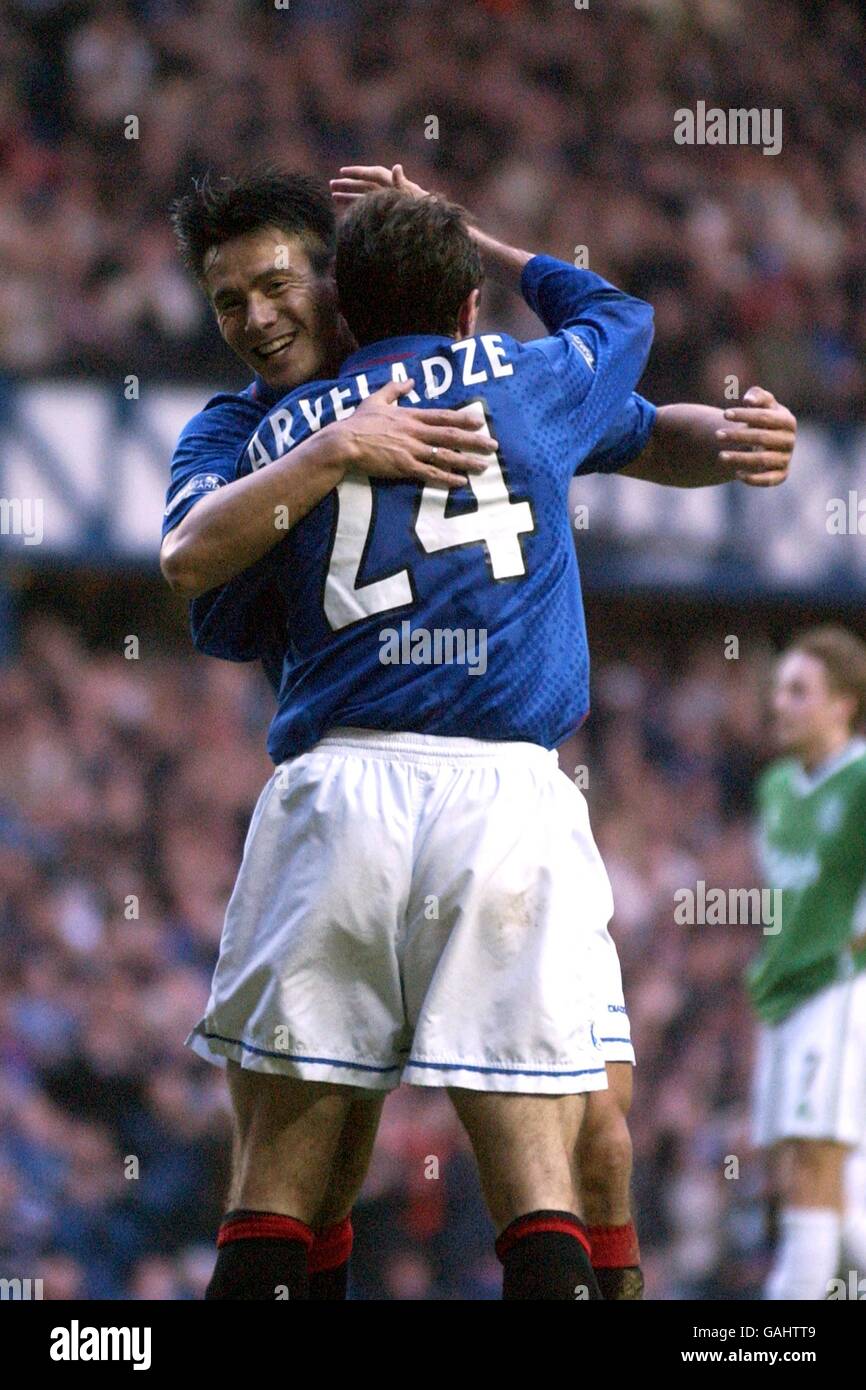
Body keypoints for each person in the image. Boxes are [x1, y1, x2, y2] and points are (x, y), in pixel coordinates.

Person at [168, 164, 796, 1301]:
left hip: (360, 803)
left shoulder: (311, 428)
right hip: (486, 801)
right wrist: (338, 446)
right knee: (438, 1163)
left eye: (273, 285)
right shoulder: (262, 426)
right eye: (227, 303)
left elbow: (651, 433)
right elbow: (192, 563)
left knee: (588, 1135)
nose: (255, 319)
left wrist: (736, 440)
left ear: (338, 283)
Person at [750, 625, 866, 1299]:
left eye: (800, 691)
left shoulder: (859, 783)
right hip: (787, 998)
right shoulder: (774, 789)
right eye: (779, 690)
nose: (781, 704)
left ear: (843, 703)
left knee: (816, 1164)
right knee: (805, 1171)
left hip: (842, 992)